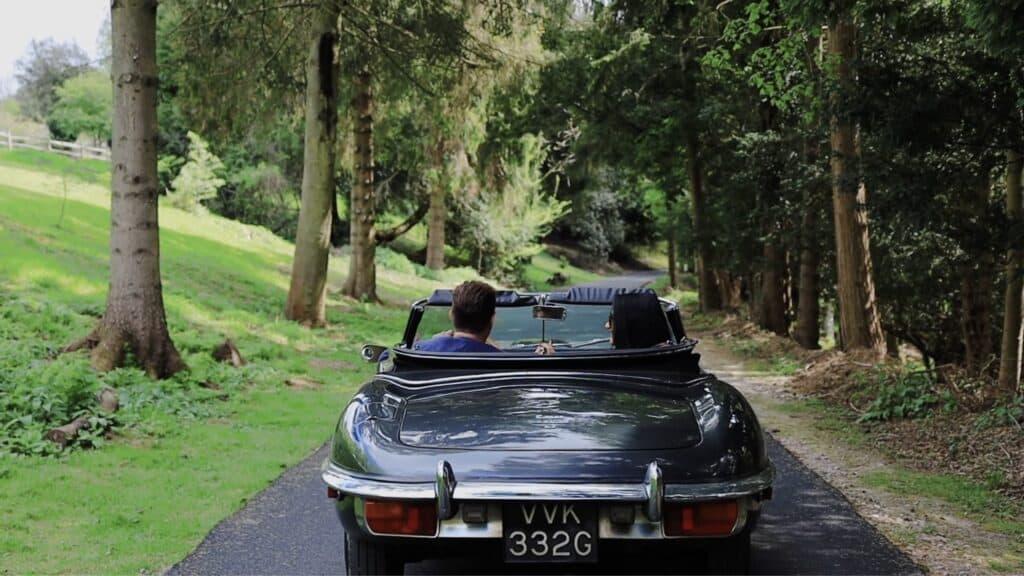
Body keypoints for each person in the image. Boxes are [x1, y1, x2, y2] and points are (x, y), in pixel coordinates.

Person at [415, 281, 502, 353]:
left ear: (451, 315)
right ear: (492, 319)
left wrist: (436, 343)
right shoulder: (502, 361)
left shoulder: (418, 351)